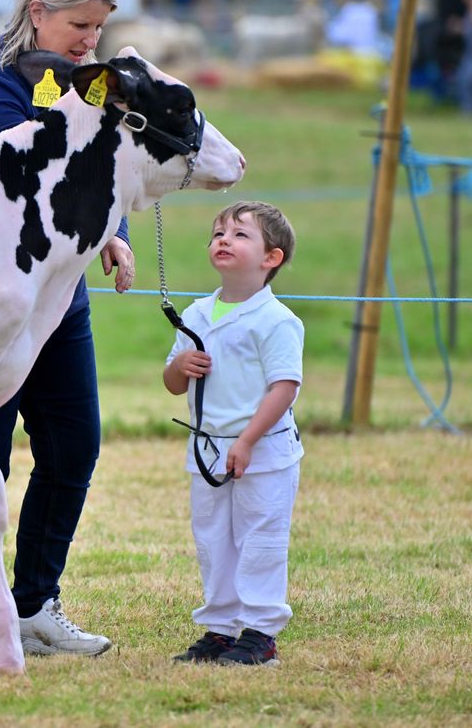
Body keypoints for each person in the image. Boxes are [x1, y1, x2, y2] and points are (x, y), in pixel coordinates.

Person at [0, 0, 134, 661]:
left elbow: (94, 167)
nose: (91, 42)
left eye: (99, 30)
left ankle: (32, 605)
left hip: (60, 299)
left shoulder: (81, 82)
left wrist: (110, 232)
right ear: (38, 12)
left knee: (73, 445)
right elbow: (25, 189)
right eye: (80, 26)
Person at [163, 201, 304, 668]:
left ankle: (261, 633)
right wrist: (179, 367)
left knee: (260, 539)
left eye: (240, 234)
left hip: (262, 452)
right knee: (213, 540)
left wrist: (246, 441)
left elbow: (284, 387)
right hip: (206, 452)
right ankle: (221, 630)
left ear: (272, 258)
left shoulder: (277, 321)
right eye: (218, 232)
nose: (223, 239)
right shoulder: (197, 314)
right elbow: (172, 380)